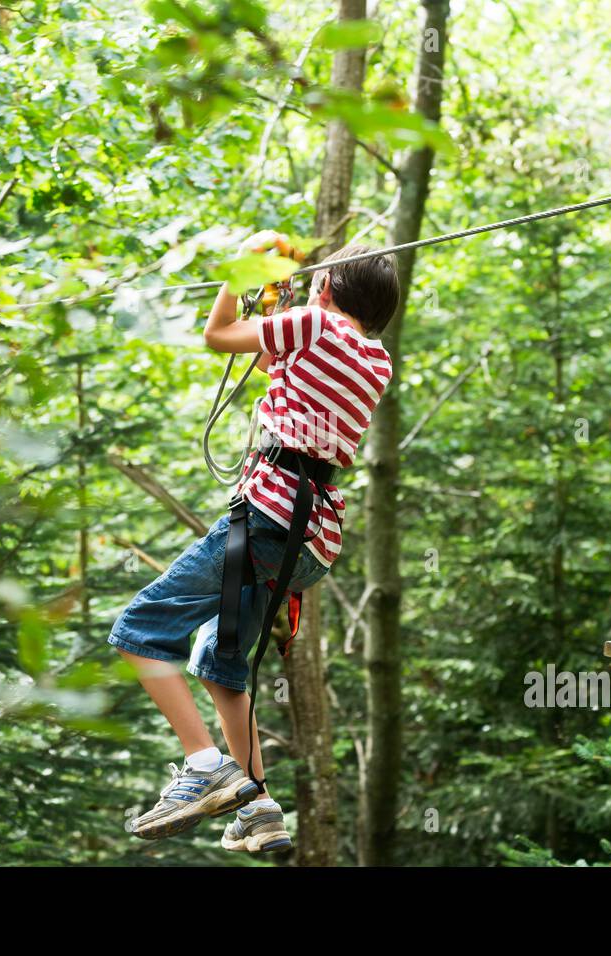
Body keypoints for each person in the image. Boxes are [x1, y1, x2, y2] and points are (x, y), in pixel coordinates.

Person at [107, 231, 399, 852]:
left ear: (326, 288)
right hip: (311, 541)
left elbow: (218, 337)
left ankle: (205, 767)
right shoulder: (374, 360)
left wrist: (241, 271)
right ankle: (259, 807)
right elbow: (273, 365)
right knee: (220, 657)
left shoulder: (313, 326)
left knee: (140, 628)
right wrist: (273, 310)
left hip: (265, 519)